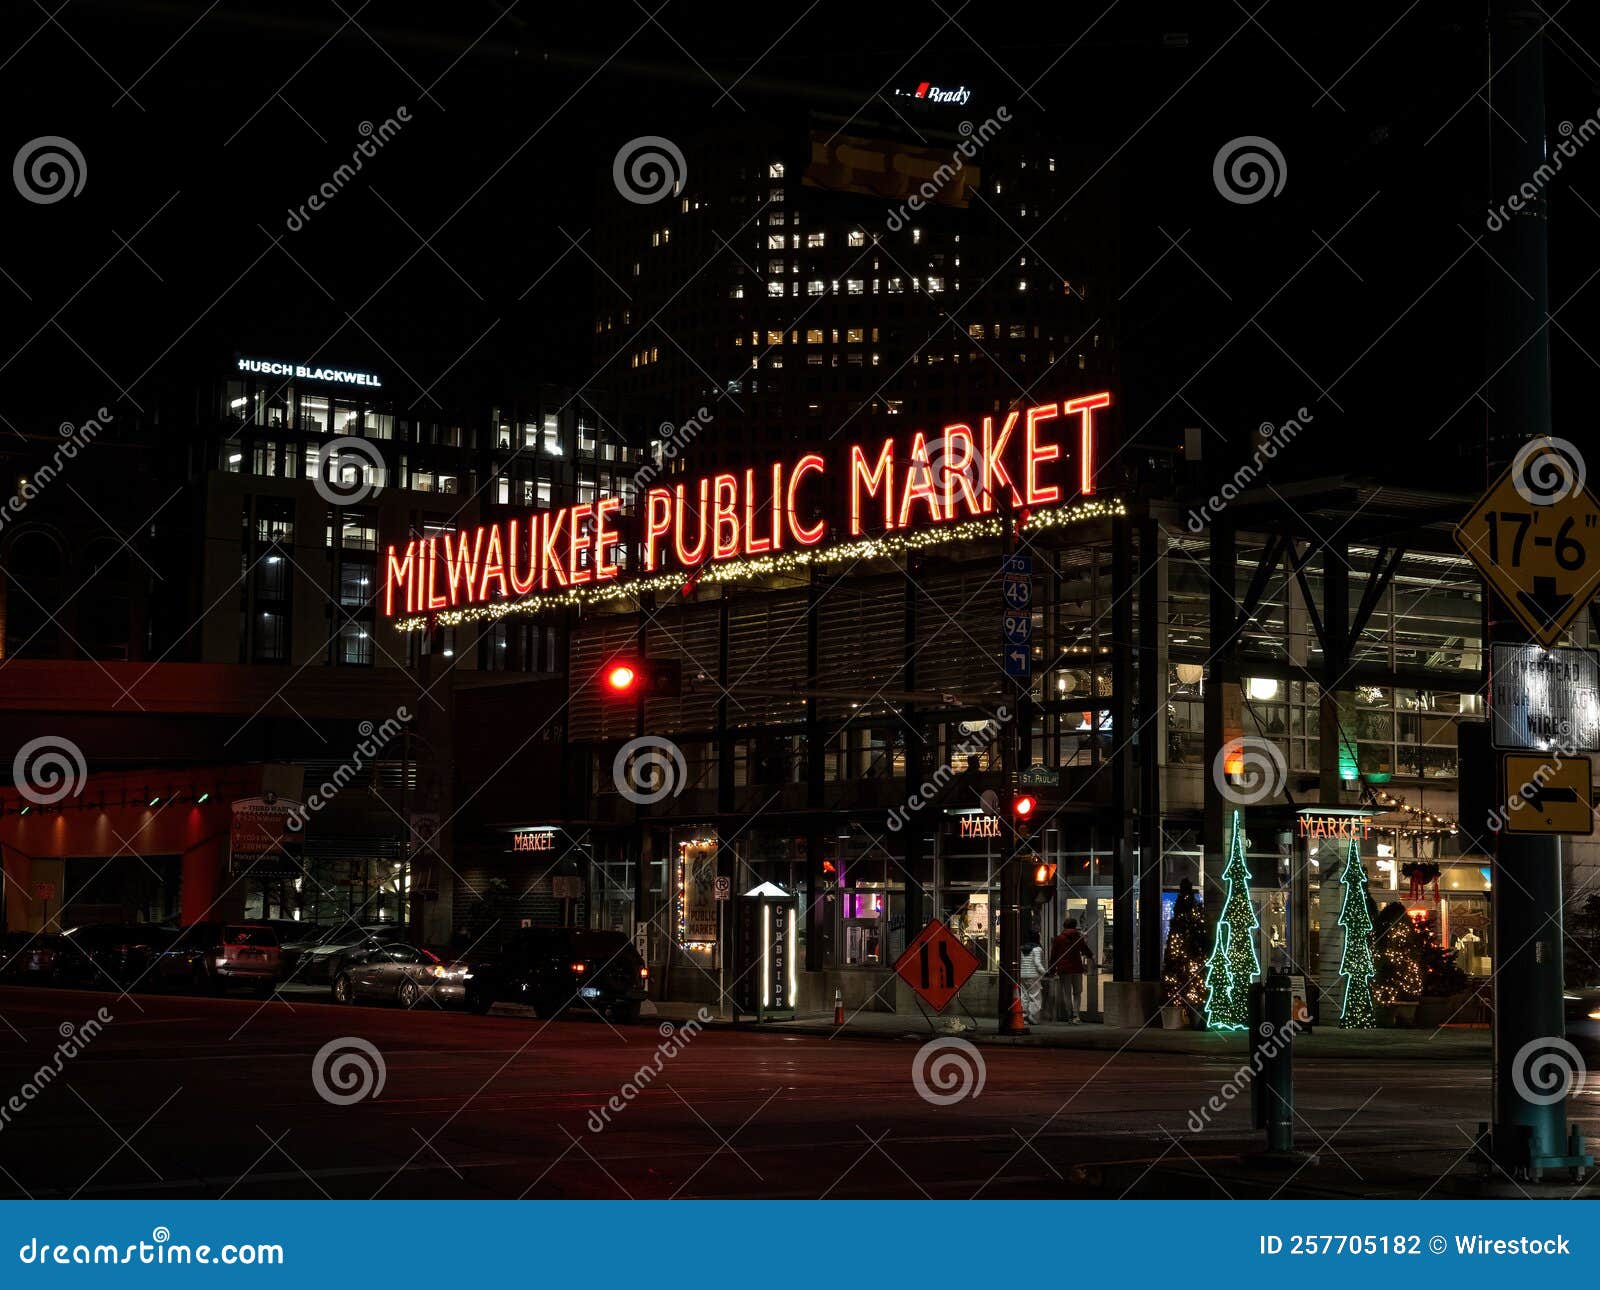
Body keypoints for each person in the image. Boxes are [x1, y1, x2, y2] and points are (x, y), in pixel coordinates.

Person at [1048, 918, 1093, 1023]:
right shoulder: (1078, 937)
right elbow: (1085, 949)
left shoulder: (1058, 939)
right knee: (1077, 992)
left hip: (1064, 969)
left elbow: (1054, 956)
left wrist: (1051, 970)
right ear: (1075, 926)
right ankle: (1077, 1015)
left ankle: (1070, 1015)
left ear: (1064, 926)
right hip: (1077, 968)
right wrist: (1091, 956)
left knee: (1066, 993)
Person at [1019, 935, 1046, 1025]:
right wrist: (1045, 972)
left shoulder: (1021, 949)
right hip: (1033, 976)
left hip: (1022, 975)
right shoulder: (1037, 949)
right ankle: (1032, 1016)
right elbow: (1037, 964)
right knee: (1035, 997)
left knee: (1024, 996)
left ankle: (1024, 1017)